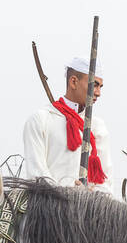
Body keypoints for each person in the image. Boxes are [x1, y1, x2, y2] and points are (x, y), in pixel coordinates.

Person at [22, 57, 113, 192]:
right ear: (74, 82)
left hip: (88, 210)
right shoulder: (41, 119)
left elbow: (107, 185)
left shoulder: (98, 127)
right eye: (94, 85)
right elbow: (37, 175)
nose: (98, 93)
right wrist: (68, 194)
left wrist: (91, 194)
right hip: (47, 209)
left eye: (100, 86)